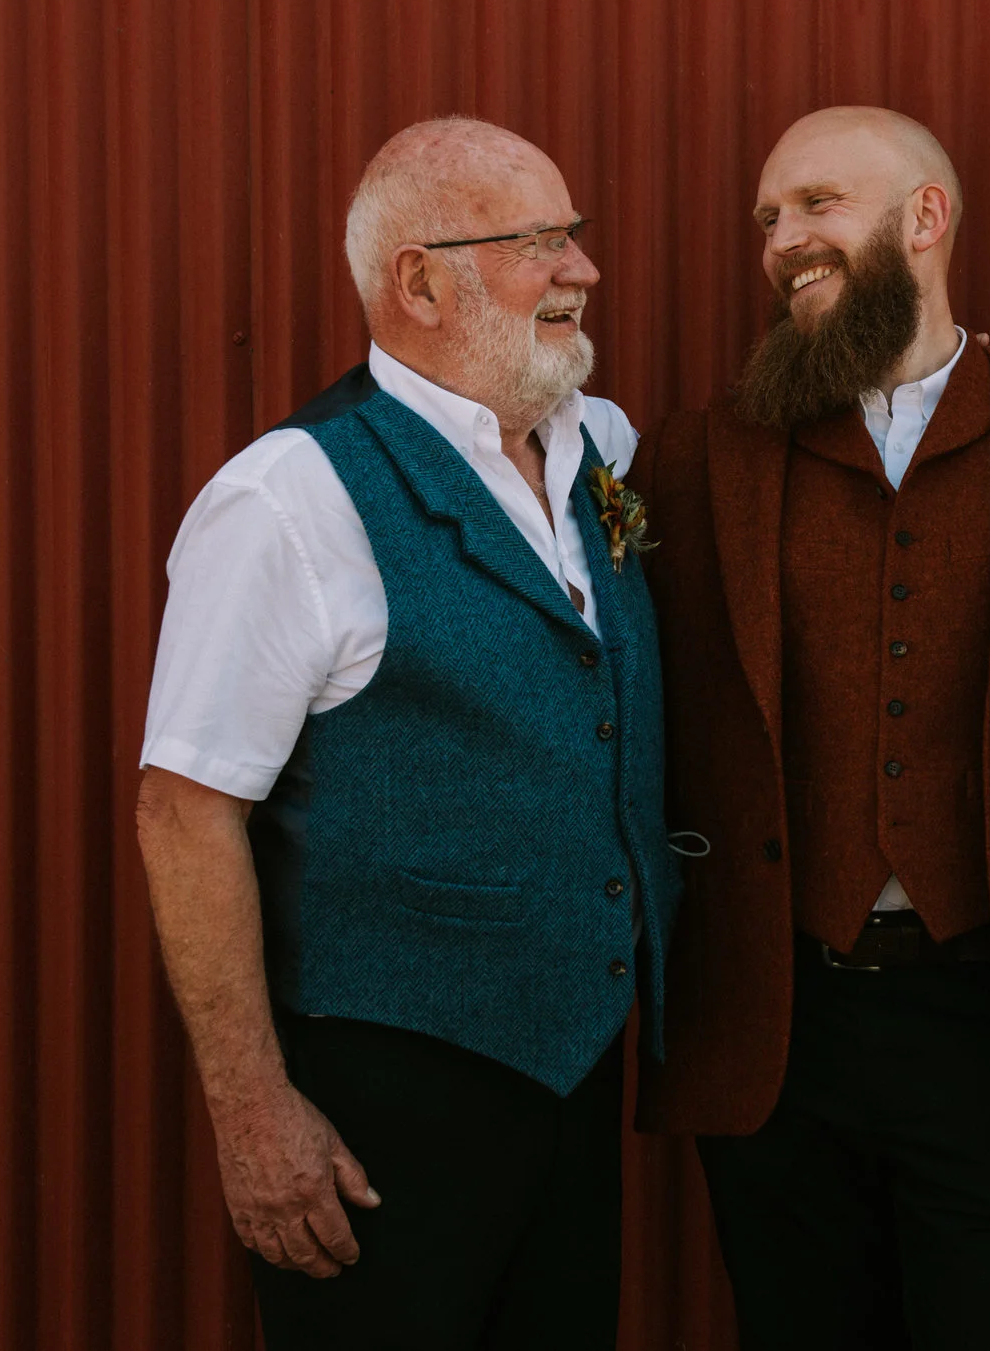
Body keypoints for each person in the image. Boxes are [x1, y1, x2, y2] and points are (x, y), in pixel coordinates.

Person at [132, 117, 680, 1350]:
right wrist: (254, 1115)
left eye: (575, 236)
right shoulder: (288, 499)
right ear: (421, 280)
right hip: (381, 1098)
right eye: (541, 242)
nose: (582, 270)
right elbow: (183, 811)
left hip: (579, 1072)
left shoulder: (604, 445)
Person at [634, 106, 990, 1349]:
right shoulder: (691, 457)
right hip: (776, 1032)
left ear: (925, 219)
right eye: (768, 217)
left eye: (817, 204)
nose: (782, 239)